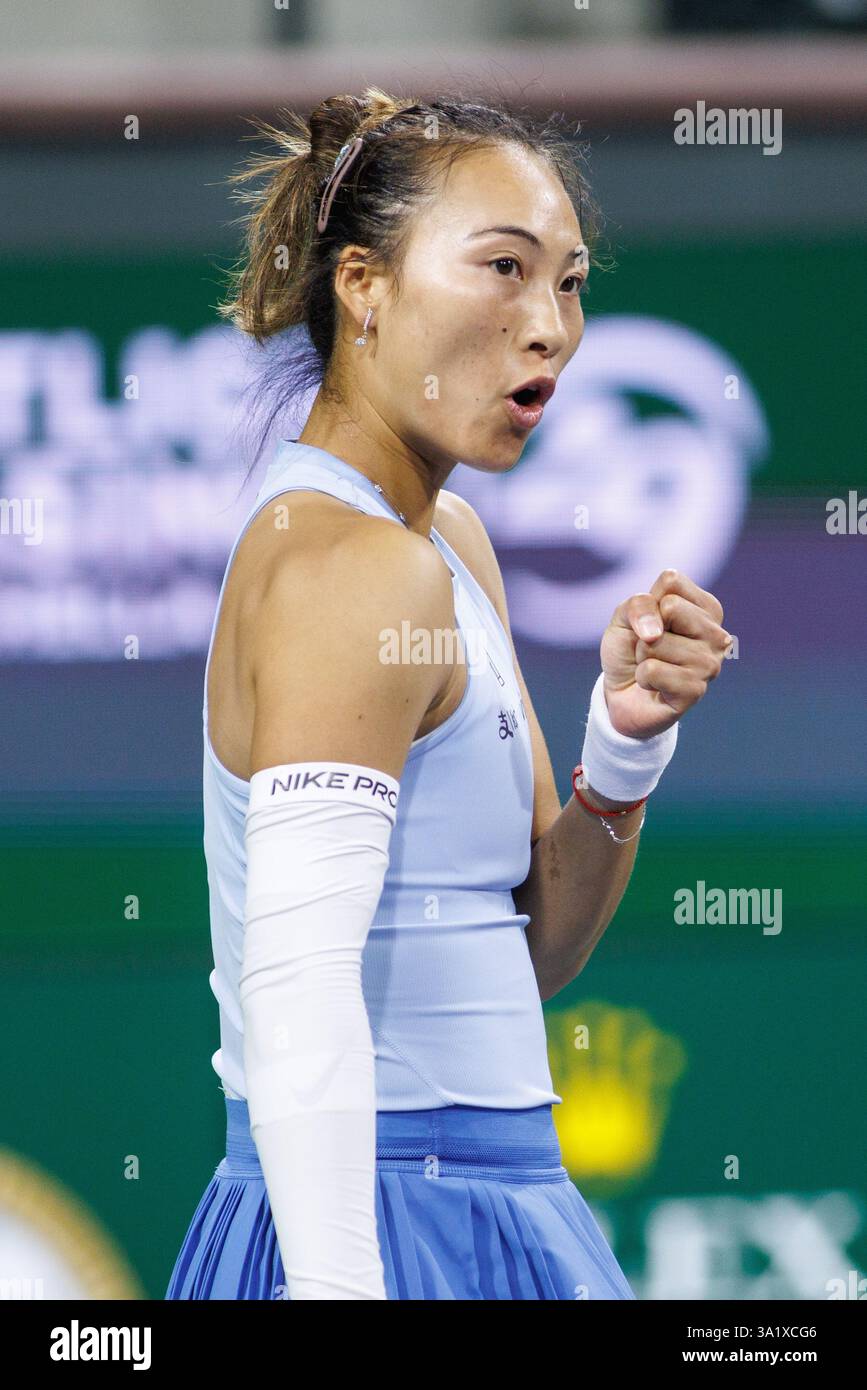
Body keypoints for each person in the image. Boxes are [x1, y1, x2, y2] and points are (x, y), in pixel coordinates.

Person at [165, 88, 730, 1301]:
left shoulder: (446, 545)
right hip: (369, 1217)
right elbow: (299, 987)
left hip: (496, 1197)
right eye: (503, 269)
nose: (551, 327)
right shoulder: (352, 567)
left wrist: (622, 750)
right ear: (363, 286)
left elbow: (530, 944)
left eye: (570, 283)